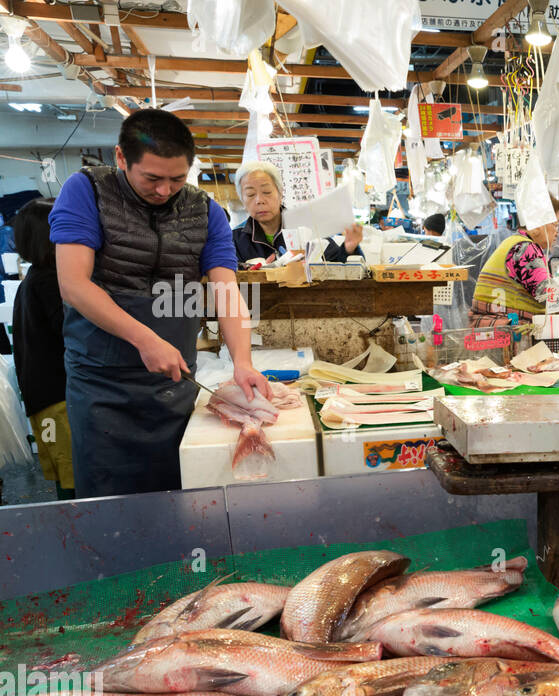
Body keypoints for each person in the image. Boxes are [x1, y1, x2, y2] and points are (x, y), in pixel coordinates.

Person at [50, 108, 269, 497]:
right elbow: (74, 285)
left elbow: (226, 289)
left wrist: (243, 362)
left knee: (183, 495)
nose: (165, 190)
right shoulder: (86, 189)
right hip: (103, 386)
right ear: (121, 158)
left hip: (174, 383)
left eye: (177, 179)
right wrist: (144, 339)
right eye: (152, 178)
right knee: (111, 503)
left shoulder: (205, 210)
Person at [10, 198, 75, 498]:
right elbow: (71, 332)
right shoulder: (50, 280)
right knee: (71, 473)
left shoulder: (32, 280)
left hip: (41, 401)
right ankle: (81, 534)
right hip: (57, 399)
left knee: (62, 469)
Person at [470, 194, 559, 325]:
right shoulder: (525, 249)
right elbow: (553, 298)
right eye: (554, 225)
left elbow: (550, 296)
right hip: (501, 335)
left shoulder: (516, 243)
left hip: (495, 329)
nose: (557, 232)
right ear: (536, 226)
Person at [232, 161, 361, 266]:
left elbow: (336, 264)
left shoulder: (306, 227)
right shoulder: (235, 239)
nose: (259, 200)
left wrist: (348, 249)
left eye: (266, 192)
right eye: (250, 194)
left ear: (280, 193)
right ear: (242, 200)